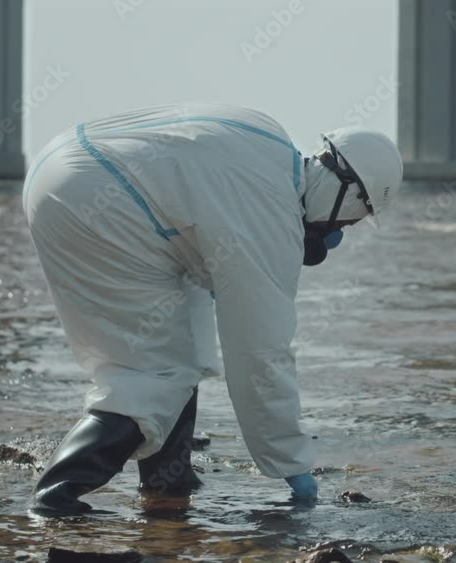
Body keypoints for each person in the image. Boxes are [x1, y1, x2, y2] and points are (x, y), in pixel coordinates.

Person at [22, 102, 402, 515]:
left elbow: (198, 232)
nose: (340, 231)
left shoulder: (267, 137)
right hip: (97, 201)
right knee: (152, 374)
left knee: (185, 349)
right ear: (349, 191)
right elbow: (260, 355)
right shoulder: (270, 219)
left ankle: (168, 481)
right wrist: (291, 465)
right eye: (350, 221)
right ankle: (55, 499)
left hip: (66, 166)